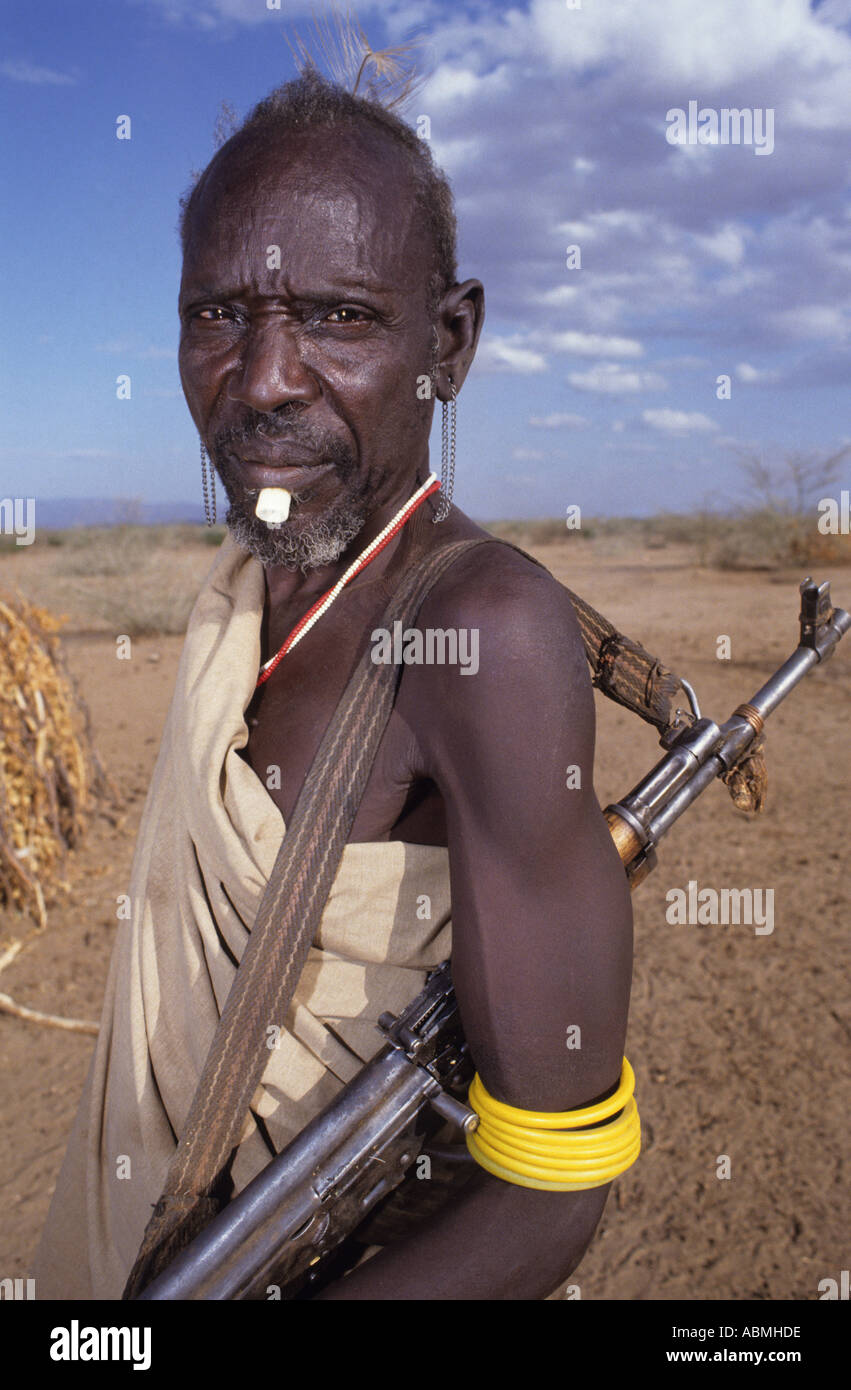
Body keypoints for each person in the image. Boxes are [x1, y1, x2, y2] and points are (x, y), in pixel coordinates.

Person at [33, 67, 634, 1301]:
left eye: (337, 317)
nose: (262, 379)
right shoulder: (245, 588)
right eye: (218, 316)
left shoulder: (485, 632)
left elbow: (552, 1184)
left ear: (448, 342)